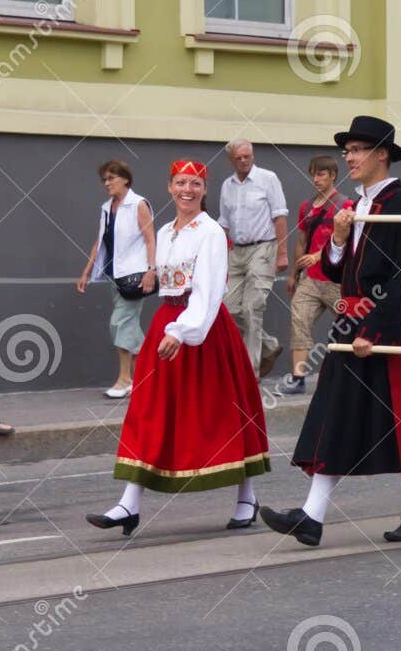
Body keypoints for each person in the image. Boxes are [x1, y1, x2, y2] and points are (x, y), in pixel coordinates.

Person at [261, 116, 401, 547]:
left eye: (357, 149)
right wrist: (337, 239)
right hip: (352, 330)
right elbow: (335, 270)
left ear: (381, 153)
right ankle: (311, 516)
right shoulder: (358, 206)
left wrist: (376, 329)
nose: (348, 157)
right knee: (335, 417)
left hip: (382, 335)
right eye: (347, 150)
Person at [86, 160, 269, 536]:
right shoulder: (166, 230)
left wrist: (184, 330)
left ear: (205, 189)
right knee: (149, 407)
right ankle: (129, 503)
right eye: (182, 182)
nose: (188, 189)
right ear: (169, 187)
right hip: (164, 323)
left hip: (201, 328)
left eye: (196, 183)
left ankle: (247, 496)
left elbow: (209, 286)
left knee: (223, 410)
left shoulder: (212, 231)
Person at [76, 159, 157, 398]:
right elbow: (99, 241)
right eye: (104, 179)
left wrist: (151, 270)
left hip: (135, 275)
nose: (107, 183)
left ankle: (125, 380)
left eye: (111, 178)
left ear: (126, 180)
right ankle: (151, 375)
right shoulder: (106, 207)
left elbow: (150, 239)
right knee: (128, 326)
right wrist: (86, 272)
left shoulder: (138, 204)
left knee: (119, 323)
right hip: (114, 275)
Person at [282, 156, 354, 394]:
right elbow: (301, 242)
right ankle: (298, 377)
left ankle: (355, 374)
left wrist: (317, 256)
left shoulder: (345, 205)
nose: (316, 179)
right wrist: (294, 274)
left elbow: (346, 239)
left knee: (351, 324)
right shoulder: (306, 206)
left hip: (335, 278)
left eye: (321, 174)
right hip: (310, 279)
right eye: (313, 174)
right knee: (299, 321)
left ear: (333, 175)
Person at [218, 138, 288, 377]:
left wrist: (282, 253)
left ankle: (249, 373)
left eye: (248, 156)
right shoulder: (227, 185)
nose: (244, 160)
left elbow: (279, 216)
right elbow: (224, 224)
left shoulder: (268, 179)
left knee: (252, 308)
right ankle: (268, 345)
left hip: (263, 248)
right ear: (231, 160)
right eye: (239, 157)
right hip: (235, 251)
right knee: (227, 309)